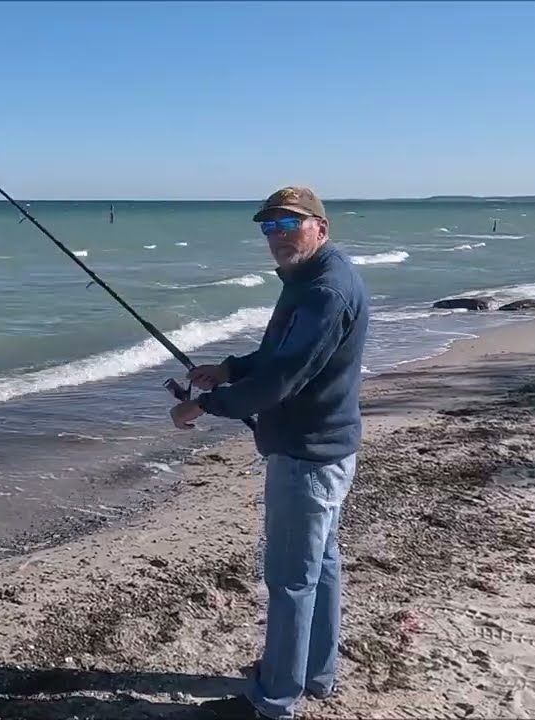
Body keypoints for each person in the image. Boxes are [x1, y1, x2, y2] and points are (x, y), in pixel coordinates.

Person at [169, 186, 369, 720]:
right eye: (269, 227)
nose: (277, 236)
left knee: (290, 579)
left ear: (320, 228)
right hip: (325, 446)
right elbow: (278, 356)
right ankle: (316, 676)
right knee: (320, 565)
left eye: (289, 224)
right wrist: (231, 368)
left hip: (307, 455)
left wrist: (205, 406)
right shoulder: (312, 277)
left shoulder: (326, 291)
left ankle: (274, 700)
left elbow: (281, 380)